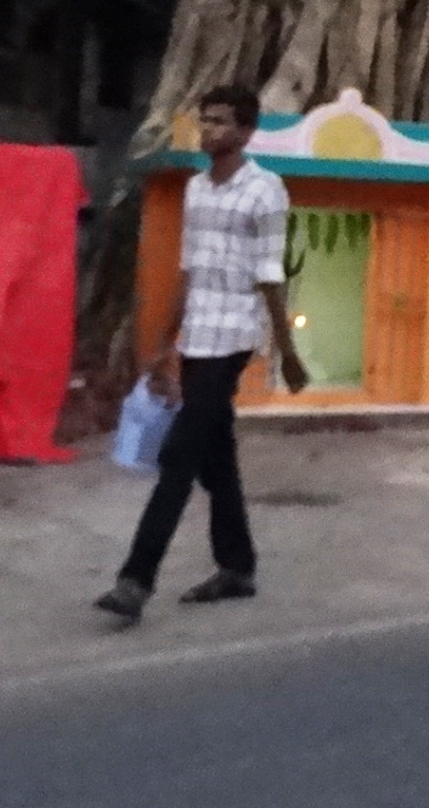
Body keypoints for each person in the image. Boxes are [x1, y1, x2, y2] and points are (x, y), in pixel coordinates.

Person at [95, 84, 308, 624]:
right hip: (196, 336)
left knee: (179, 458)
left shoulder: (266, 190)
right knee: (217, 458)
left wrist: (288, 352)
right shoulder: (196, 189)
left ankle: (136, 579)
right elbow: (188, 271)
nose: (209, 130)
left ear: (246, 131)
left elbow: (270, 276)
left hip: (233, 337)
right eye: (205, 120)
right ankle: (237, 567)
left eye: (220, 121)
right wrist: (163, 345)